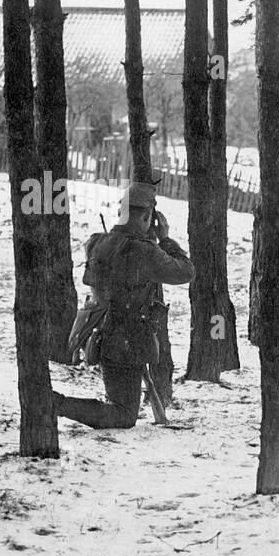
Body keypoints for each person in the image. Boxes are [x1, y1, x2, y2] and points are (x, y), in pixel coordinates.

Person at [55, 182, 195, 429]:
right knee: (123, 415)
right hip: (129, 343)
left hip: (104, 335)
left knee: (120, 404)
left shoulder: (97, 242)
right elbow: (185, 271)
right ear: (146, 215)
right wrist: (166, 238)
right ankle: (57, 404)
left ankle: (58, 403)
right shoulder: (144, 251)